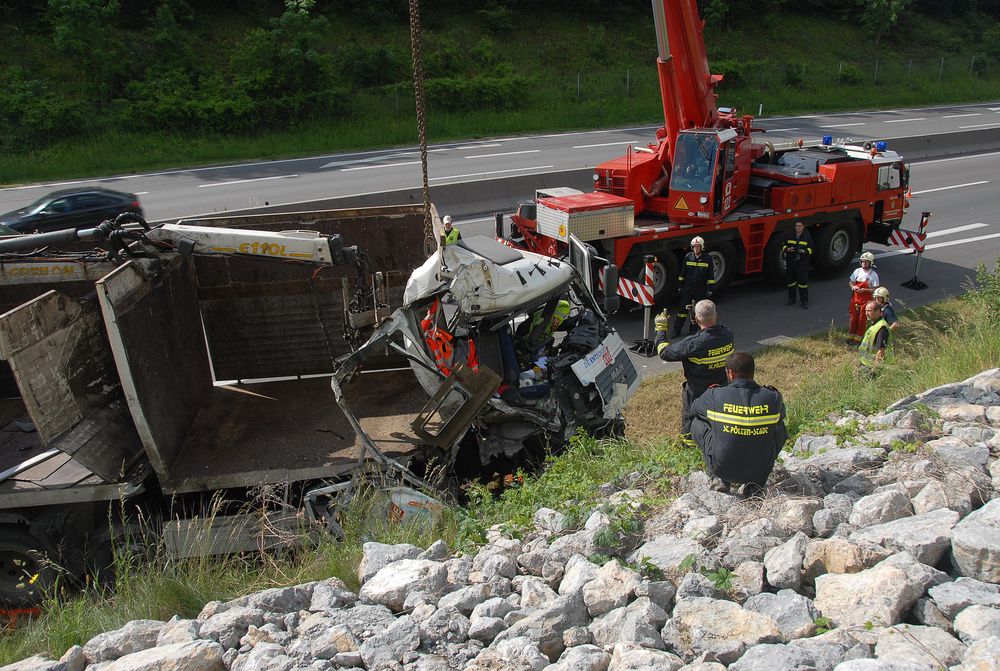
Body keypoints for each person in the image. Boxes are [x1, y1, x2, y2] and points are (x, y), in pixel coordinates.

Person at [689, 351, 787, 497]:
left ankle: (718, 478)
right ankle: (755, 486)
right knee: (779, 427)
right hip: (759, 470)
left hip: (723, 469)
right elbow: (782, 417)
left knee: (697, 423)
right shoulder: (772, 397)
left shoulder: (715, 395)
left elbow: (694, 409)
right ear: (752, 372)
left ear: (730, 374)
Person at [655, 299, 734, 440]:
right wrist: (697, 323)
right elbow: (709, 337)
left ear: (696, 318)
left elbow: (664, 352)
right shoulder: (728, 334)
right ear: (716, 316)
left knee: (690, 419)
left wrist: (661, 329)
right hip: (722, 387)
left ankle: (689, 443)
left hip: (698, 391)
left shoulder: (692, 344)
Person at [670, 236, 715, 338]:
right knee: (682, 311)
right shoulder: (688, 257)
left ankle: (693, 331)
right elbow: (682, 274)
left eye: (698, 246)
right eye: (694, 246)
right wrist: (680, 287)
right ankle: (676, 331)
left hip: (700, 290)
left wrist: (710, 289)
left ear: (702, 247)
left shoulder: (708, 259)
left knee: (697, 312)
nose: (695, 248)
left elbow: (711, 276)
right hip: (687, 289)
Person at [848, 251, 880, 343]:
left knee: (862, 319)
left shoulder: (873, 275)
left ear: (870, 263)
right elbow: (850, 282)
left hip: (866, 301)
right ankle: (850, 336)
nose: (864, 263)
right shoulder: (857, 271)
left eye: (866, 262)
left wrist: (864, 290)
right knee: (853, 318)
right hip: (855, 298)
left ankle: (857, 339)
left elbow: (875, 290)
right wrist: (853, 286)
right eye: (862, 261)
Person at [782, 221, 813, 309]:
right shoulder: (789, 235)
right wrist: (787, 249)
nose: (798, 228)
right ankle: (791, 299)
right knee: (791, 282)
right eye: (796, 226)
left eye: (800, 226)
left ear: (803, 227)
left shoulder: (807, 237)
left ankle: (804, 301)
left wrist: (804, 251)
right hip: (791, 262)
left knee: (802, 282)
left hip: (802, 263)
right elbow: (783, 246)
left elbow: (811, 249)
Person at [859, 300, 893, 376]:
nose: (866, 313)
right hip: (866, 363)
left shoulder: (882, 328)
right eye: (866, 311)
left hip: (872, 368)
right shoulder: (875, 324)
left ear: (877, 311)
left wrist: (874, 371)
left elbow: (881, 351)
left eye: (869, 311)